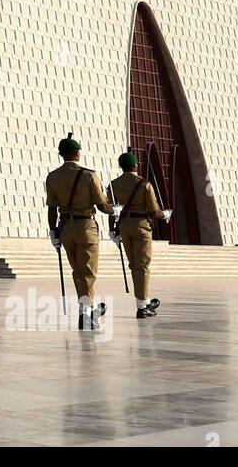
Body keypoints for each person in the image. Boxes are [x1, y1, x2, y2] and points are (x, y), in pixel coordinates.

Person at [45, 133, 113, 330]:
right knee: (88, 272)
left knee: (77, 271)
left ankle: (86, 311)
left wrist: (53, 231)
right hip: (85, 226)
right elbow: (102, 205)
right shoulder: (88, 175)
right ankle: (87, 313)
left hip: (65, 227)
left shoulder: (53, 177)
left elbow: (51, 207)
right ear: (77, 153)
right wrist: (113, 210)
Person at [108, 152, 168, 319]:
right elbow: (154, 211)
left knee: (134, 265)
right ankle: (142, 306)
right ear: (135, 166)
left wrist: (112, 229)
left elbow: (111, 209)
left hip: (124, 227)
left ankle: (145, 299)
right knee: (142, 265)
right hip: (141, 226)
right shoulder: (144, 184)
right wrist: (165, 214)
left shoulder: (113, 185)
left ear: (121, 166)